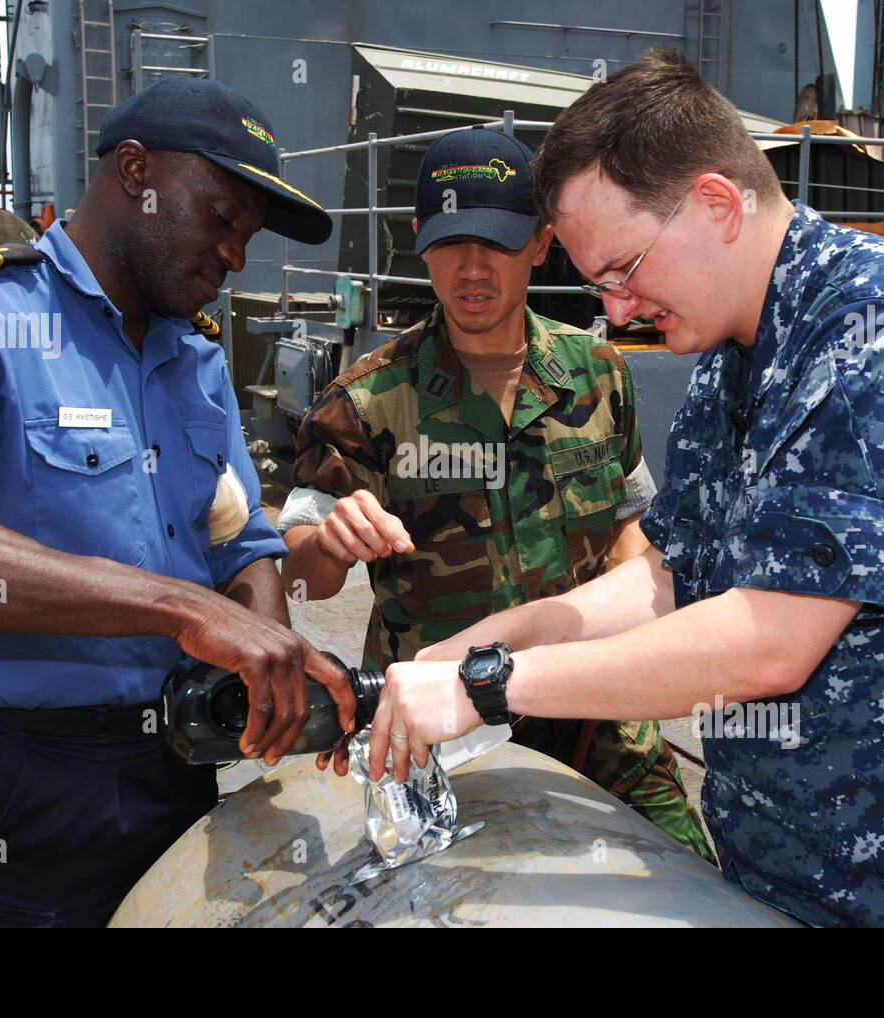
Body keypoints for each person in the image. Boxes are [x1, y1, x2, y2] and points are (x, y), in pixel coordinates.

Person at [364, 49, 884, 927]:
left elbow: (769, 639)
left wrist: (489, 685)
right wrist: (499, 632)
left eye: (624, 269)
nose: (620, 309)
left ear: (716, 204)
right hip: (793, 878)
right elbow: (672, 577)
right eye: (599, 285)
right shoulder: (730, 365)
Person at [0, 78, 355, 927]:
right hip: (23, 783)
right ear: (134, 171)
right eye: (221, 218)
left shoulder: (195, 355)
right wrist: (178, 610)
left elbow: (235, 533)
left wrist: (267, 650)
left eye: (247, 236)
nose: (236, 257)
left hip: (178, 759)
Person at [277, 125, 713, 859]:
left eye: (498, 243)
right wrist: (326, 543)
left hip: (591, 709)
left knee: (687, 875)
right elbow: (300, 582)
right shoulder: (366, 403)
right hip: (440, 724)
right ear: (418, 239)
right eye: (450, 243)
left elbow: (632, 527)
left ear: (542, 244)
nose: (472, 269)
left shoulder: (599, 375)